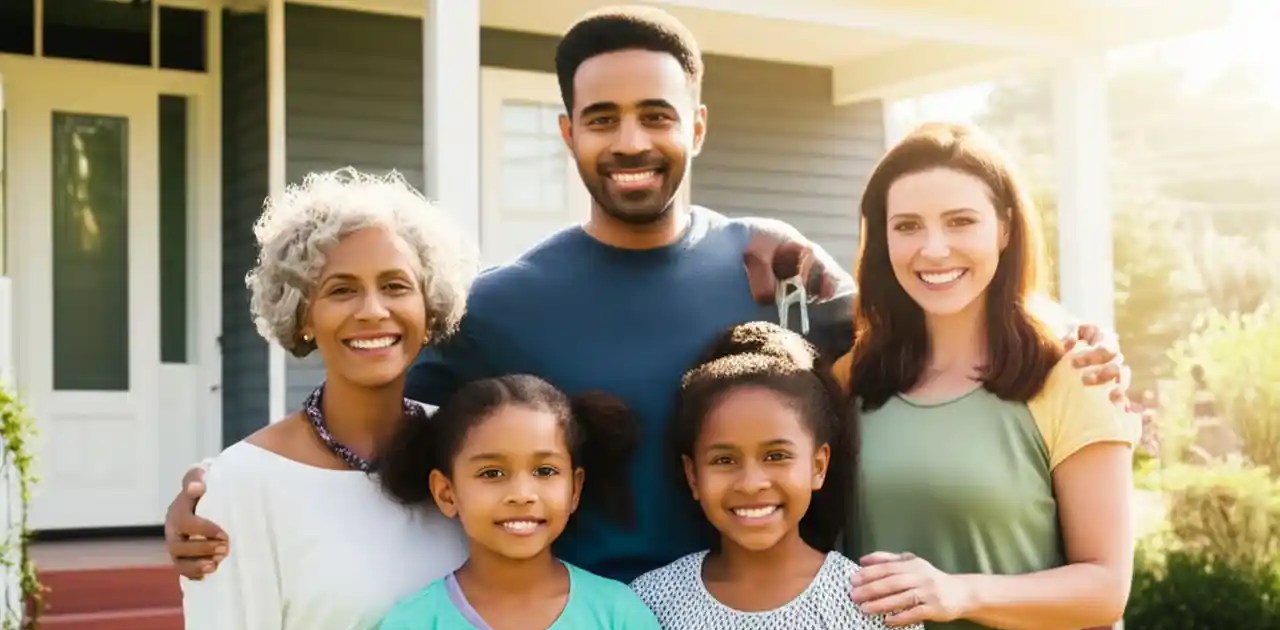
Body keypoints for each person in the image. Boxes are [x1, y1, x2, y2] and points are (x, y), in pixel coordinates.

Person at [163, 7, 1128, 587]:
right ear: (568, 133)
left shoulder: (782, 267)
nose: (631, 142)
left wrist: (1071, 344)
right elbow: (368, 415)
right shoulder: (501, 307)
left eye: (656, 115)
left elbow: (924, 329)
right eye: (603, 119)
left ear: (696, 126)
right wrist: (225, 483)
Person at [839, 123, 1139, 630]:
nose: (933, 250)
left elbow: (1106, 589)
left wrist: (959, 592)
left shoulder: (1074, 374)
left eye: (960, 221)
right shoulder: (851, 380)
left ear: (1004, 228)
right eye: (907, 226)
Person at [177, 169, 476, 630]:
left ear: (428, 307)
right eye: (341, 290)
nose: (373, 310)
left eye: (395, 286)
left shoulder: (468, 452)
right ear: (303, 315)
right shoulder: (245, 485)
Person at [632, 322, 930, 630]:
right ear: (693, 476)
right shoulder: (651, 605)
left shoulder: (877, 604)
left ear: (818, 466)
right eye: (724, 460)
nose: (751, 483)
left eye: (776, 456)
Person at [357, 375, 669, 630]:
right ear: (447, 493)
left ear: (575, 488)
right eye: (492, 473)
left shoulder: (619, 617)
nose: (522, 494)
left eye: (545, 471)